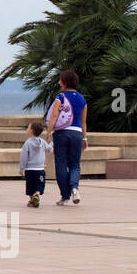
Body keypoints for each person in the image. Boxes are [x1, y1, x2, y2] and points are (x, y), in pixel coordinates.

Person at [47, 70, 88, 205]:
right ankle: (75, 188)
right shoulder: (82, 99)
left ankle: (65, 196)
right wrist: (84, 138)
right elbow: (83, 121)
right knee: (75, 164)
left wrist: (49, 131)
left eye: (60, 80)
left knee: (61, 164)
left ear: (64, 81)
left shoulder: (61, 97)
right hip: (77, 133)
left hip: (62, 133)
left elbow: (54, 116)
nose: (59, 82)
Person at [20, 121, 51, 208]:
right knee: (39, 184)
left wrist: (22, 168)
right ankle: (37, 194)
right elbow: (48, 149)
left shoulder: (27, 143)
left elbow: (24, 157)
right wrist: (51, 142)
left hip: (29, 169)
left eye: (28, 128)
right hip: (40, 169)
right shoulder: (42, 142)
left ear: (31, 131)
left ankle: (31, 199)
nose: (27, 129)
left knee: (30, 185)